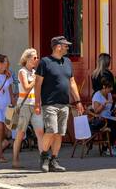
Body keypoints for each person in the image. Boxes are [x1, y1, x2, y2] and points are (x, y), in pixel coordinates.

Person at [32, 35, 83, 173]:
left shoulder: (67, 62)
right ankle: (44, 157)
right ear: (58, 47)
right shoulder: (45, 62)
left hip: (64, 104)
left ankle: (54, 160)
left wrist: (78, 101)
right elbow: (38, 84)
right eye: (65, 45)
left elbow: (72, 82)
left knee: (60, 133)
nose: (67, 47)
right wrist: (37, 103)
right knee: (51, 130)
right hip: (49, 104)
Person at [12, 48, 43, 168]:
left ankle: (43, 159)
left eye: (37, 57)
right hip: (24, 105)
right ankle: (15, 159)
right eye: (35, 58)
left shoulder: (35, 71)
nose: (37, 60)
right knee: (21, 133)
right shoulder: (22, 72)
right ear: (27, 59)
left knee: (40, 132)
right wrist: (35, 79)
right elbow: (25, 87)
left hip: (35, 104)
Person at [87, 73, 116, 155]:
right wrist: (104, 104)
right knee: (114, 125)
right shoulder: (97, 96)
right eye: (110, 88)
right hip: (100, 118)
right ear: (104, 87)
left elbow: (110, 108)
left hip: (108, 116)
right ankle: (107, 148)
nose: (111, 89)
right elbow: (96, 111)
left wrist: (115, 109)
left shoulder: (108, 94)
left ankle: (115, 145)